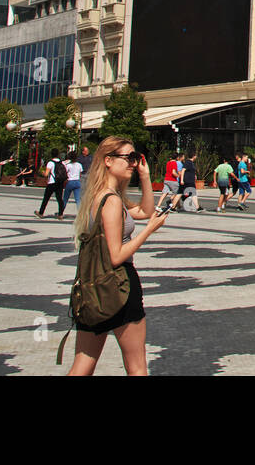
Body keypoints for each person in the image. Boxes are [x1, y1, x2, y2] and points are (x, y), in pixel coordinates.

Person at [66, 136, 169, 376]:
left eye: (136, 157)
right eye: (129, 158)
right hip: (119, 285)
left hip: (94, 288)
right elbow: (116, 255)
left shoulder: (101, 196)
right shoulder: (111, 201)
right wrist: (148, 231)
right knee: (137, 368)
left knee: (83, 365)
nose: (133, 163)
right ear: (108, 161)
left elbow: (145, 210)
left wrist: (145, 177)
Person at [35, 151, 69, 218]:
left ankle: (41, 213)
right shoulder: (62, 162)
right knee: (59, 198)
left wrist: (42, 172)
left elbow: (46, 174)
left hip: (52, 182)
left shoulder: (50, 163)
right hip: (60, 182)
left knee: (46, 198)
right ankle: (60, 214)